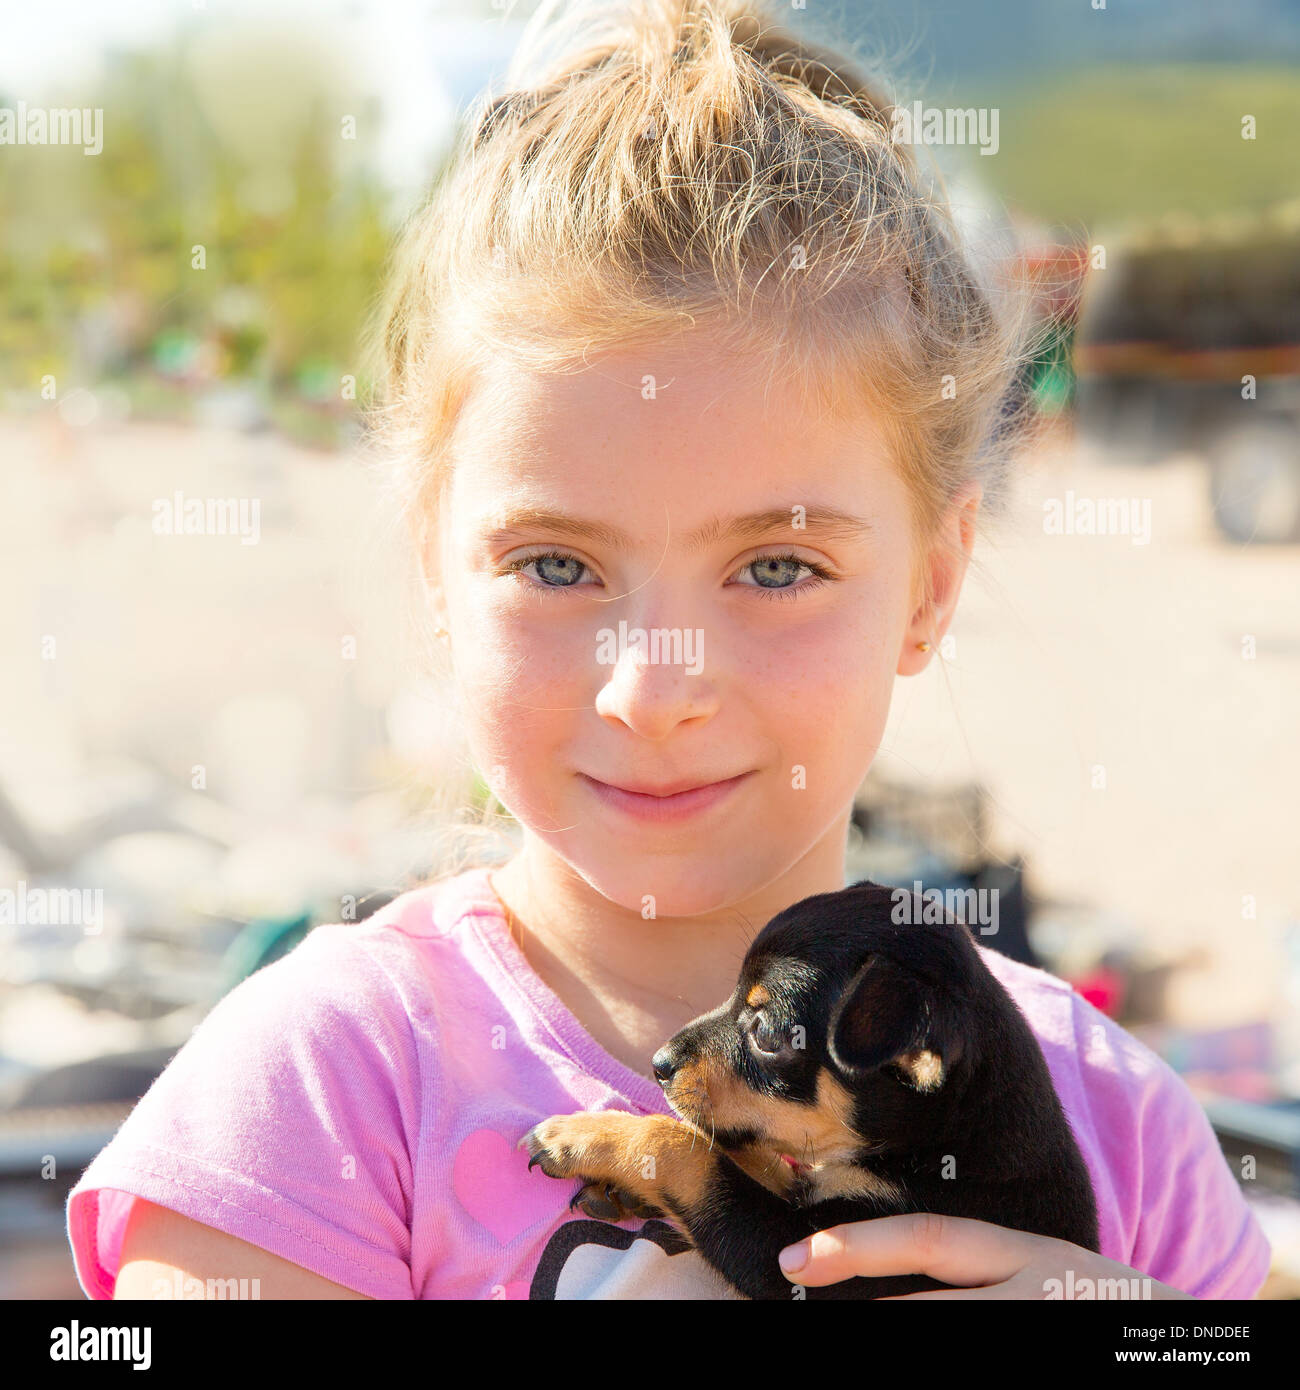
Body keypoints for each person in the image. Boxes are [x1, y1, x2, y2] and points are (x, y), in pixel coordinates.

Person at [66, 0, 1270, 1300]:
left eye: (775, 567)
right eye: (556, 565)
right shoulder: (316, 1098)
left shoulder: (1122, 1131)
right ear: (436, 573)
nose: (654, 691)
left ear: (930, 584)